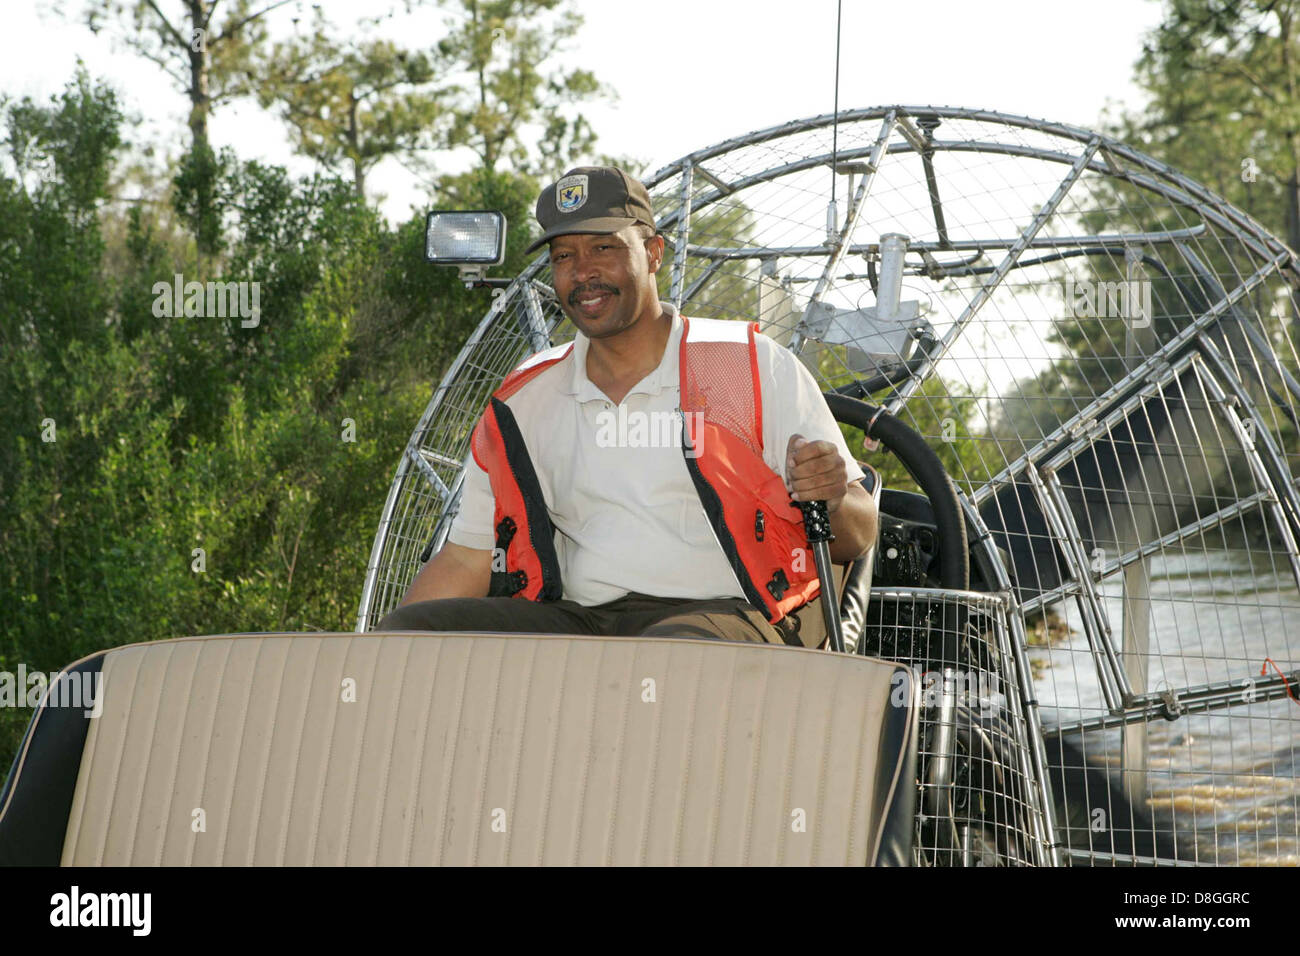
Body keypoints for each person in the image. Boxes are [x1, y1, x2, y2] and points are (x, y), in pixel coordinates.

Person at [378, 165, 878, 646]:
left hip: (733, 612)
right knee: (414, 635)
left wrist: (832, 496)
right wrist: (376, 652)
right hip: (583, 622)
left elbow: (858, 534)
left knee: (666, 657)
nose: (583, 273)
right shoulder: (522, 400)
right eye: (563, 257)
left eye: (604, 248)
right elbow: (468, 556)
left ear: (654, 252)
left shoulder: (749, 366)